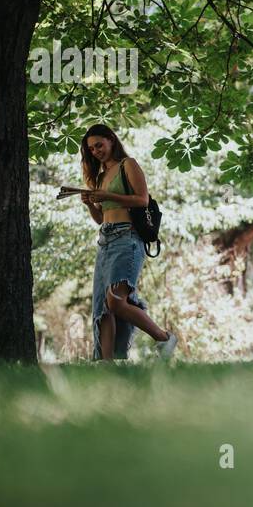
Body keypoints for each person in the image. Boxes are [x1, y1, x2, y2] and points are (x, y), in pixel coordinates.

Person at [79, 124, 177, 361]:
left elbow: (142, 200)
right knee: (103, 308)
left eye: (99, 145)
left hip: (127, 238)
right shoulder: (100, 176)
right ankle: (106, 365)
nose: (96, 151)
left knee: (115, 300)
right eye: (91, 149)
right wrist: (91, 203)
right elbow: (100, 218)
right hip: (105, 240)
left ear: (112, 140)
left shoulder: (128, 165)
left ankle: (164, 338)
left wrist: (108, 196)